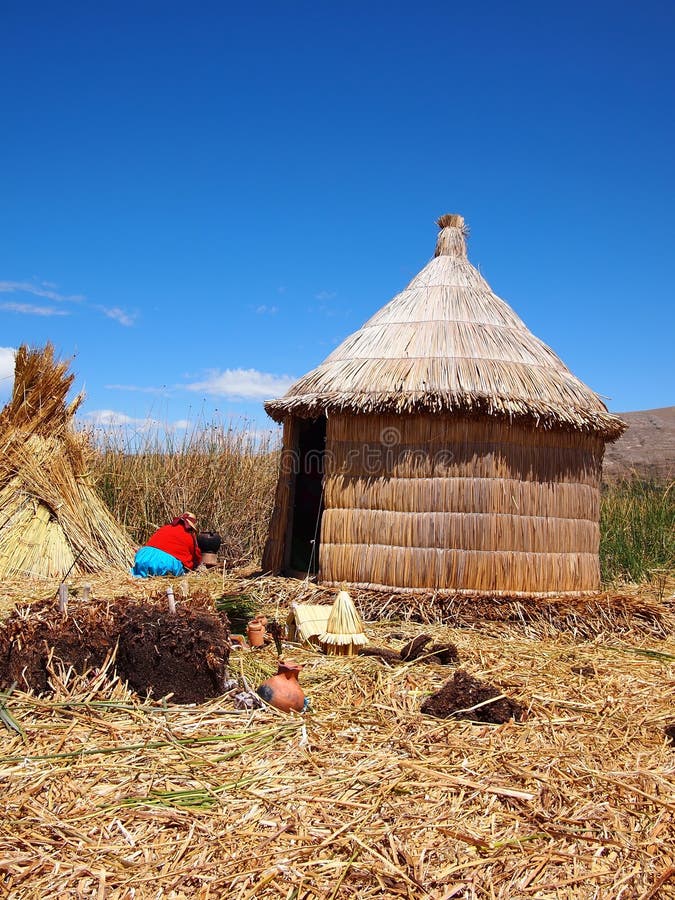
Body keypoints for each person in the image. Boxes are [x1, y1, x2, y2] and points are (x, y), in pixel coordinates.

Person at [132, 512, 202, 577]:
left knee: (141, 576)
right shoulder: (189, 536)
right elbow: (196, 557)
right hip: (165, 563)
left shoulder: (165, 528)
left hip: (143, 556)